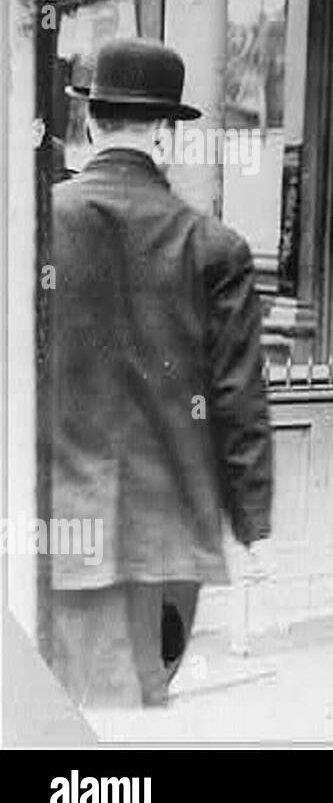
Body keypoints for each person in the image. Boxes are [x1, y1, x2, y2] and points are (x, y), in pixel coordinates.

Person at [49, 37, 273, 705]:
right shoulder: (216, 248)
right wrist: (254, 525)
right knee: (140, 703)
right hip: (172, 541)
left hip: (61, 530)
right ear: (169, 135)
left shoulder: (34, 224)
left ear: (91, 121)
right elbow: (238, 400)